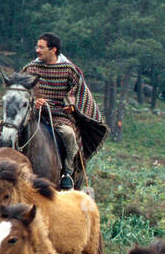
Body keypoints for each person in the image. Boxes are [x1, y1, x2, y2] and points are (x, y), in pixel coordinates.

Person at [21, 32, 107, 189]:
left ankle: (67, 172)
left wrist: (70, 103)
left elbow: (78, 91)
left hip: (60, 115)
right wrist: (33, 101)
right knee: (4, 128)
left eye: (41, 47)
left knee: (68, 134)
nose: (37, 50)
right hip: (33, 114)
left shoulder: (69, 70)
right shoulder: (30, 69)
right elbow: (20, 90)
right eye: (37, 47)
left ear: (53, 49)